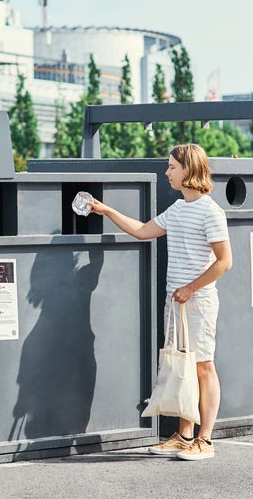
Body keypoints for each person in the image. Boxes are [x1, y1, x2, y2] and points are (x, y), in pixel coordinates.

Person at [88, 144, 232, 460]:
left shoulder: (211, 212)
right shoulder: (178, 209)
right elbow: (142, 231)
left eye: (171, 167)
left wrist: (191, 288)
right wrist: (107, 210)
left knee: (203, 367)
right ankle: (183, 436)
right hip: (177, 300)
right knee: (182, 366)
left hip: (198, 302)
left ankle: (204, 441)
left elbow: (224, 262)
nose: (167, 172)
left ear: (188, 170)